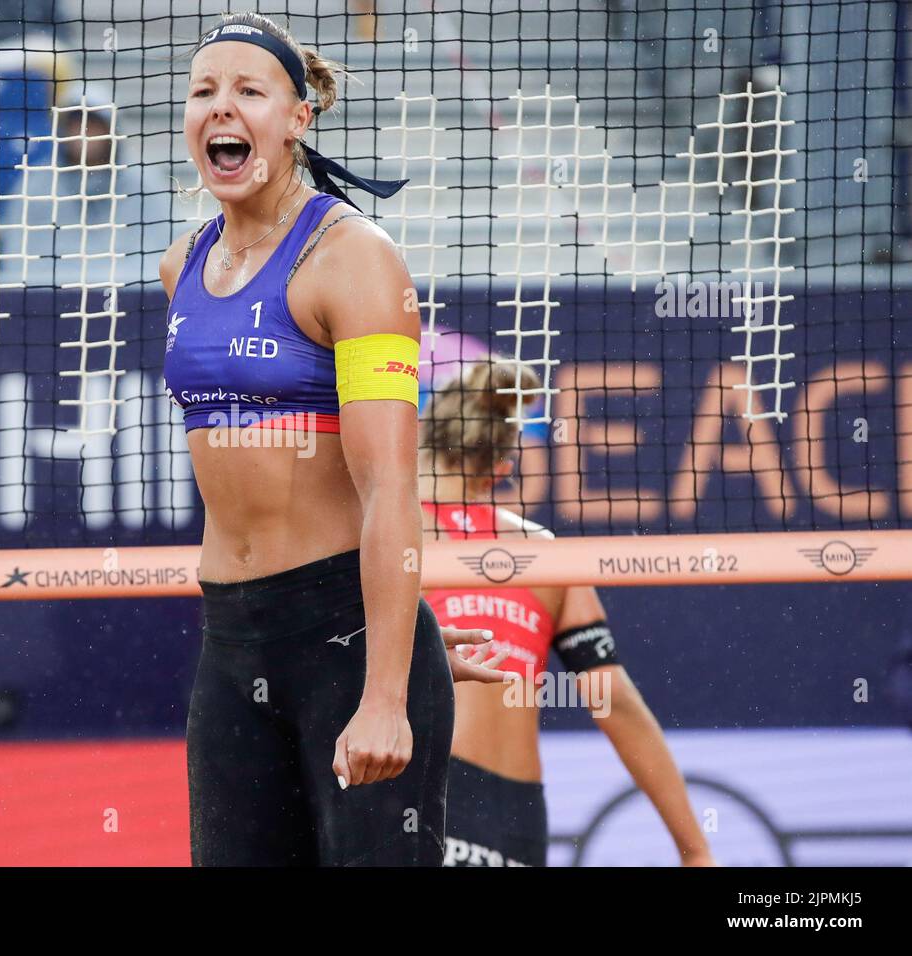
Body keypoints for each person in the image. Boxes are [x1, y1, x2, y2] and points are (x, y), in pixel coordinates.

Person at [160, 12, 503, 867]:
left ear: (299, 118)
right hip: (231, 641)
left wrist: (390, 680)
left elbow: (391, 485)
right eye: (204, 91)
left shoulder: (353, 257)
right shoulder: (182, 265)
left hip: (344, 636)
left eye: (248, 91)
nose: (220, 108)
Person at [419, 357, 717, 867]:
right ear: (504, 469)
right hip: (516, 816)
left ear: (422, 441)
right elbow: (616, 703)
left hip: (420, 794)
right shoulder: (543, 553)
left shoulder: (381, 538)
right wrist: (696, 851)